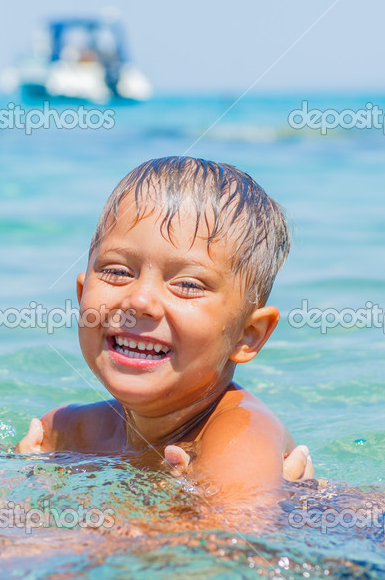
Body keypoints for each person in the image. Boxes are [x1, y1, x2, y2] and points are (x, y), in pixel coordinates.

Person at [18, 156, 312, 512]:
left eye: (187, 284)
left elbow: (226, 555)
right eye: (117, 271)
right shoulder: (69, 431)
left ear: (248, 335)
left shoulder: (240, 435)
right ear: (82, 298)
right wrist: (26, 476)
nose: (140, 300)